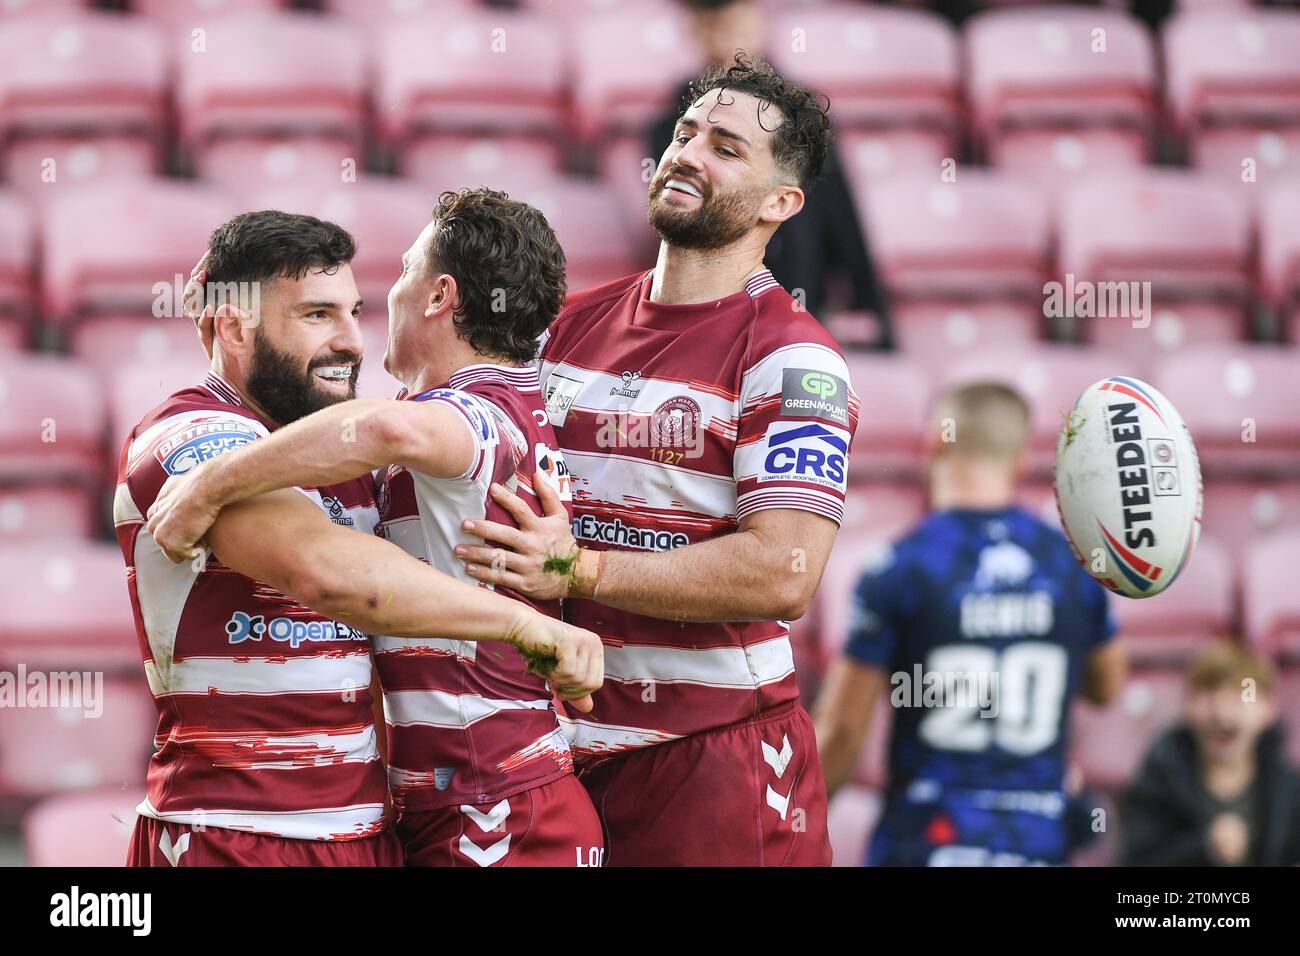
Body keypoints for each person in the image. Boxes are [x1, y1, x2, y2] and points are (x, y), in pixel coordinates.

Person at [453, 53, 857, 866]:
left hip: (718, 764)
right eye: (686, 132)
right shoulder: (560, 328)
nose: (688, 152)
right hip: (563, 756)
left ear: (782, 203)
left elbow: (783, 571)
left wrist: (580, 570)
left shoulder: (793, 358)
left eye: (726, 147)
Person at [117, 208, 602, 866]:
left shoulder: (344, 456)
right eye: (318, 315)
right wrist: (527, 625)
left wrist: (565, 571)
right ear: (233, 325)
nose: (352, 341)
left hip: (382, 834)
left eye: (355, 310)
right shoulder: (188, 436)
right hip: (234, 835)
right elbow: (328, 573)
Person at [814, 382, 1127, 866]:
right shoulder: (1071, 565)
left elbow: (841, 734)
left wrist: (793, 829)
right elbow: (1107, 689)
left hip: (929, 840)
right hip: (1035, 843)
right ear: (1021, 460)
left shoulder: (900, 565)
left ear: (935, 442)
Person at [647, 0, 891, 342]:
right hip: (711, 305)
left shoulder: (803, 118)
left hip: (797, 295)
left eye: (736, 18)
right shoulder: (673, 121)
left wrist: (871, 307)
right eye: (714, 20)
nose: (726, 31)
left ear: (759, 21)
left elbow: (841, 216)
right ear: (696, 29)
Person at [1120, 641, 1300, 866]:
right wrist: (1203, 849)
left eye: (1241, 695)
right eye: (1209, 693)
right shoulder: (1157, 782)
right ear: (1187, 704)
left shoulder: (1288, 787)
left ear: (1269, 709)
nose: (1221, 712)